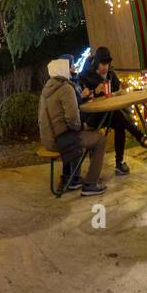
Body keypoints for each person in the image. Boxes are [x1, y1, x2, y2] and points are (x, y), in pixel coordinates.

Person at [39, 56, 106, 195]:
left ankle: (72, 179)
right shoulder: (65, 88)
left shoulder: (46, 89)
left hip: (49, 139)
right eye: (68, 67)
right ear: (63, 70)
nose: (71, 70)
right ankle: (91, 184)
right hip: (61, 140)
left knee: (83, 134)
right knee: (100, 139)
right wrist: (82, 127)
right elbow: (73, 121)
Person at [79, 46, 145, 176]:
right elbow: (81, 98)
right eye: (103, 64)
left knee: (119, 122)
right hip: (92, 117)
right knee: (118, 116)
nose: (105, 67)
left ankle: (119, 163)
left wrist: (121, 87)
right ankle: (139, 136)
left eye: (107, 64)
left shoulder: (110, 73)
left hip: (109, 113)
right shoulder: (85, 76)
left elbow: (117, 88)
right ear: (97, 63)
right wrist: (95, 92)